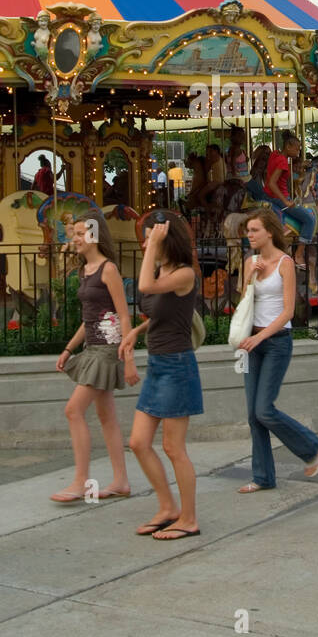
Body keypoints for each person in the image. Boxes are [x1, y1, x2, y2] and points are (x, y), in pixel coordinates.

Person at [122, 213, 202, 540]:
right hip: (157, 364)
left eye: (149, 236)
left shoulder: (184, 273)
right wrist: (137, 332)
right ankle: (167, 507)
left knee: (173, 447)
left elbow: (144, 287)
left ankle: (189, 519)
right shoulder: (162, 270)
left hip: (177, 366)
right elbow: (163, 311)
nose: (144, 243)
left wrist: (153, 246)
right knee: (139, 442)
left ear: (167, 238)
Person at [235, 207, 318, 493]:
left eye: (254, 230)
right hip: (250, 342)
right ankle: (262, 477)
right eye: (248, 231)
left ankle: (312, 445)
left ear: (270, 232)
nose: (249, 235)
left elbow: (288, 311)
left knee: (264, 409)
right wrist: (250, 276)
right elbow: (243, 300)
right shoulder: (250, 261)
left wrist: (261, 339)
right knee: (253, 414)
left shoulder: (286, 263)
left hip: (275, 342)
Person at [51, 217, 140, 502]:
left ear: (94, 236)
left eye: (80, 233)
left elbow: (124, 314)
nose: (75, 238)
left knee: (73, 410)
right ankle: (121, 480)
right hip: (92, 348)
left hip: (107, 350)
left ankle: (80, 481)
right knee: (107, 416)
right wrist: (69, 348)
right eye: (73, 234)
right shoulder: (85, 271)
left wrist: (128, 359)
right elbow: (88, 318)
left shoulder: (108, 269)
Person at [263, 135, 315, 266]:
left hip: (269, 197)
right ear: (288, 146)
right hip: (280, 199)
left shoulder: (275, 155)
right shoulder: (282, 161)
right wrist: (285, 201)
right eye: (297, 149)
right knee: (310, 219)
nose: (298, 152)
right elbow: (272, 183)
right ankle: (298, 255)